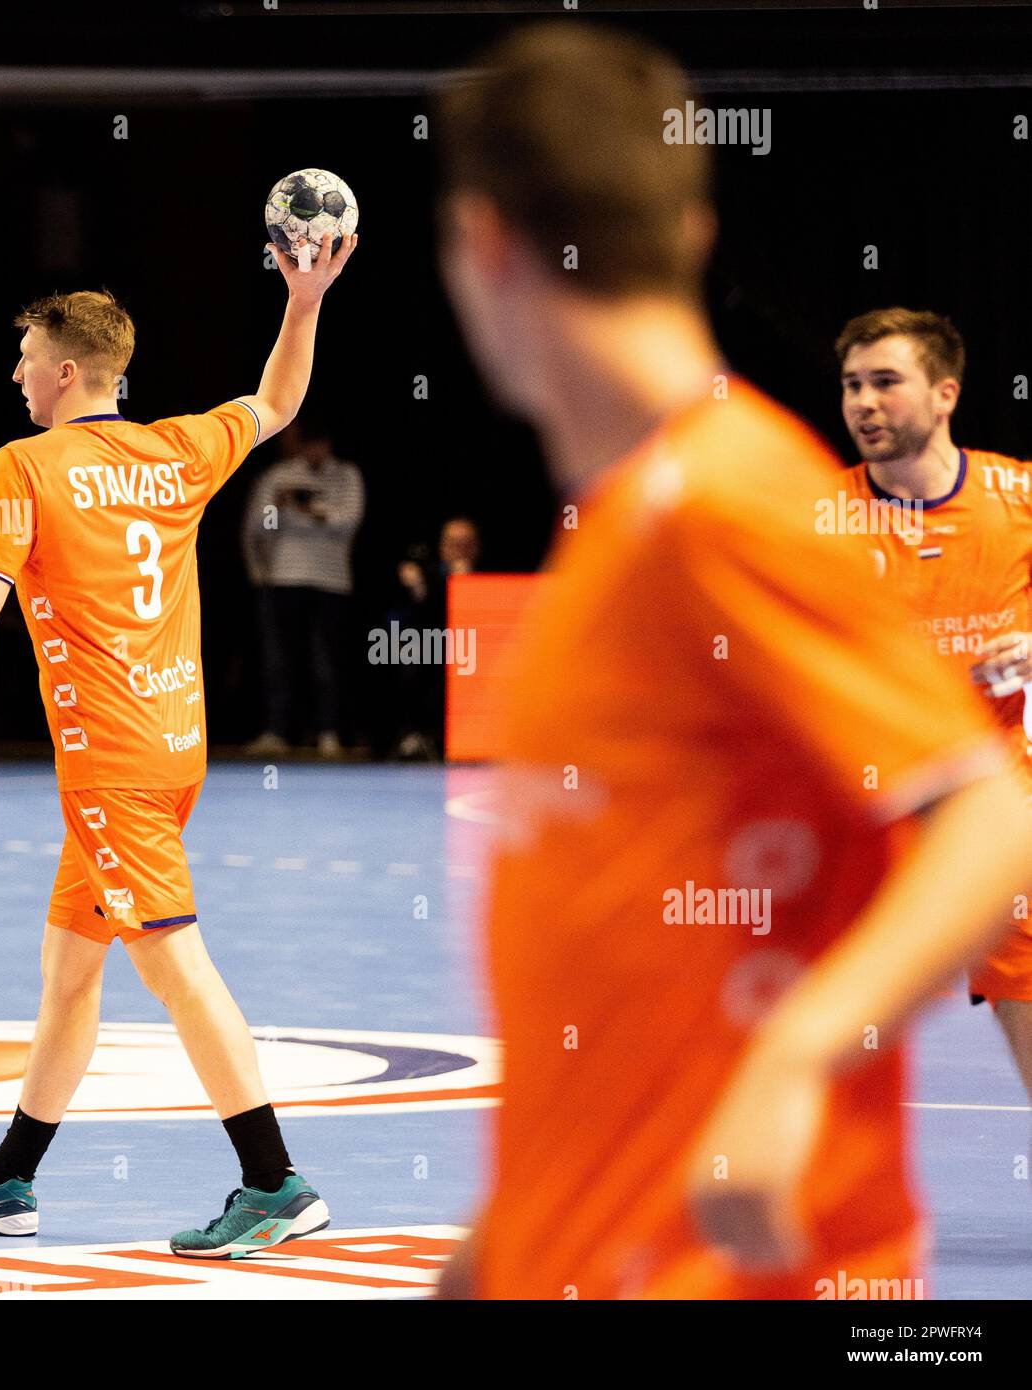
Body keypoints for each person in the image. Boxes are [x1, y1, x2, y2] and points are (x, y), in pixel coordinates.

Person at [432, 22, 1032, 1300]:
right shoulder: (622, 531)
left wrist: (800, 1052)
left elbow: (990, 812)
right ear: (691, 234)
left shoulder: (731, 503)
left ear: (482, 245)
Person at [0, 228, 357, 1256]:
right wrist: (302, 300)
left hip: (113, 769)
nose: (13, 377)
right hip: (175, 749)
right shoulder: (175, 448)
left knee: (175, 966)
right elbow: (277, 403)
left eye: (23, 362)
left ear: (66, 372)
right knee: (70, 971)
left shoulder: (27, 465)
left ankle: (273, 1181)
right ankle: (6, 1179)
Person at [836, 307, 1032, 1101]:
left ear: (943, 393)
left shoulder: (1015, 495)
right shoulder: (816, 520)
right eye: (851, 386)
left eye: (885, 382)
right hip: (864, 823)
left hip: (995, 814)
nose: (862, 403)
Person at [241, 419, 364, 758]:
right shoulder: (279, 477)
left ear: (329, 444)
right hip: (284, 578)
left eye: (320, 443)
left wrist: (307, 509)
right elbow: (258, 527)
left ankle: (328, 732)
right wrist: (279, 509)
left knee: (326, 659)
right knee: (279, 659)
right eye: (308, 443)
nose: (314, 451)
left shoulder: (347, 476)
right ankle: (277, 732)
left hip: (331, 581)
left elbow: (347, 522)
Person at [390, 516, 481, 759]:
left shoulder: (489, 576)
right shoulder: (424, 574)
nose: (460, 550)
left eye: (466, 544)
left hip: (479, 650)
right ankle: (413, 736)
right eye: (454, 544)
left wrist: (468, 584)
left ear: (476, 547)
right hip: (433, 645)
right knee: (408, 654)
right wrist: (421, 588)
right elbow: (419, 618)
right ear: (442, 547)